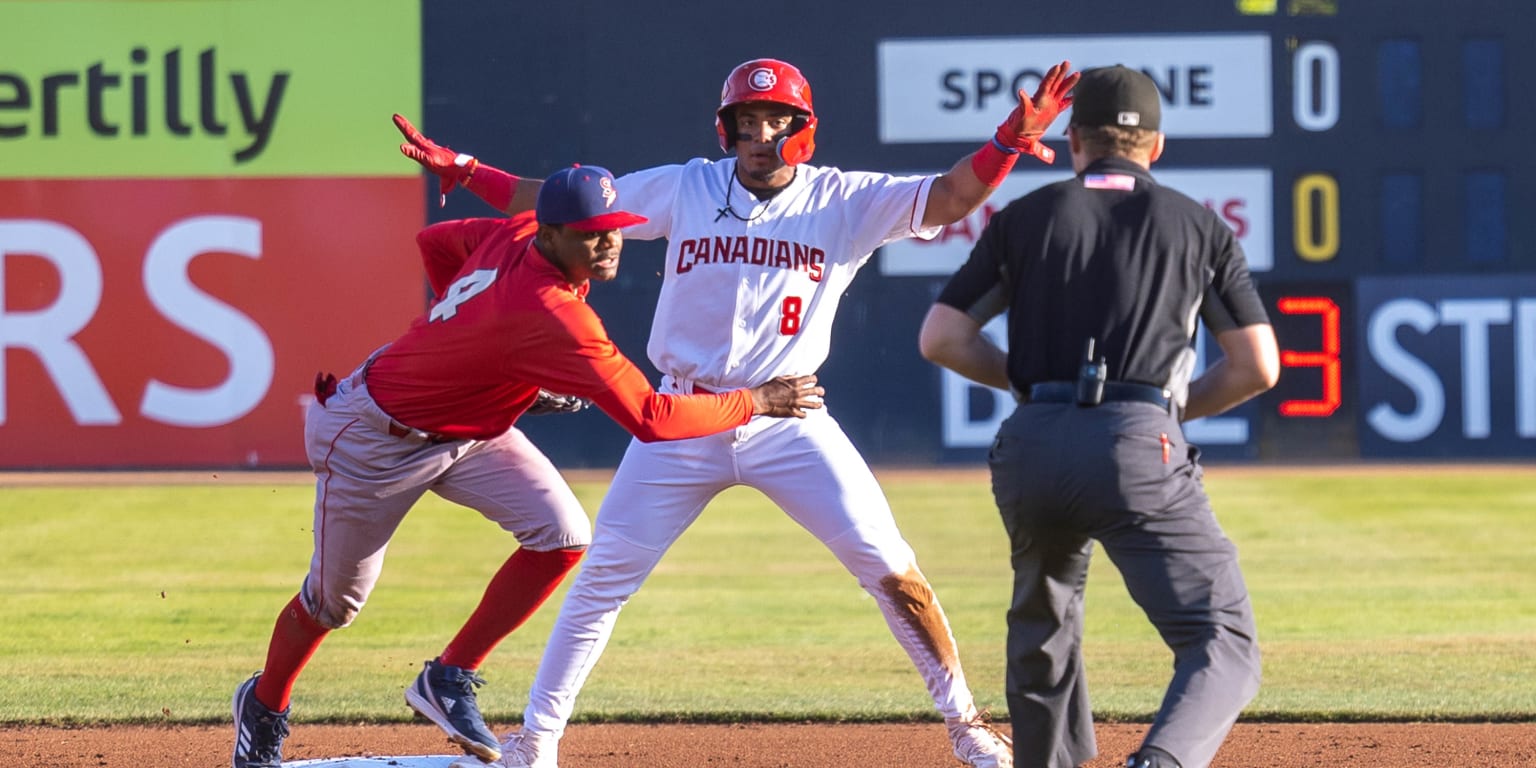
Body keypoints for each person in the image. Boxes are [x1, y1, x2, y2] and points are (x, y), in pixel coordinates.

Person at [403, 57, 1079, 768]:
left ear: (803, 131)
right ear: (726, 130)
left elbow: (945, 198)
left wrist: (1006, 143)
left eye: (776, 122)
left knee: (889, 566)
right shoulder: (689, 184)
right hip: (684, 413)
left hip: (788, 417)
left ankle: (966, 725)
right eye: (746, 123)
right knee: (602, 580)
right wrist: (469, 167)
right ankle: (537, 742)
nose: (760, 136)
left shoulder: (841, 199)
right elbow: (560, 204)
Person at [230, 159, 824, 768]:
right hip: (374, 439)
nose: (610, 241)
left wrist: (467, 342)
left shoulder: (516, 233)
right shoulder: (555, 316)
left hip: (471, 430)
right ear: (550, 236)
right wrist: (758, 400)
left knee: (563, 535)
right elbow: (653, 419)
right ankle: (264, 703)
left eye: (616, 225)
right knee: (334, 605)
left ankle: (449, 675)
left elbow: (434, 241)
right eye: (592, 231)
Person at [916, 65, 1281, 768]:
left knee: (1043, 627)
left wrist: (1025, 385)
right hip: (1138, 439)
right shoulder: (1199, 225)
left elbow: (941, 337)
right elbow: (1257, 366)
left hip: (1032, 442)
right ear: (1157, 146)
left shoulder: (1022, 218)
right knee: (1221, 639)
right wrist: (1171, 415)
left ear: (1075, 139)